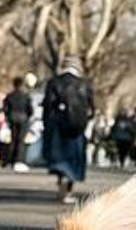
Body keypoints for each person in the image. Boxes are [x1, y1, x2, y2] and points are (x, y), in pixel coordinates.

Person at [42, 58, 94, 201]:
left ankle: (61, 179)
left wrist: (46, 124)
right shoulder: (84, 84)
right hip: (77, 126)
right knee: (74, 157)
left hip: (58, 124)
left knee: (60, 155)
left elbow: (47, 105)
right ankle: (69, 186)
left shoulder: (54, 82)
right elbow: (92, 108)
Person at [2, 76, 35, 170]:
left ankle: (10, 160)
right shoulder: (25, 96)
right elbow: (30, 109)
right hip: (23, 118)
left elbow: (5, 108)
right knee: (21, 140)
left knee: (13, 139)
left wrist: (8, 117)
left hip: (12, 118)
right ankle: (19, 160)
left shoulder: (9, 96)